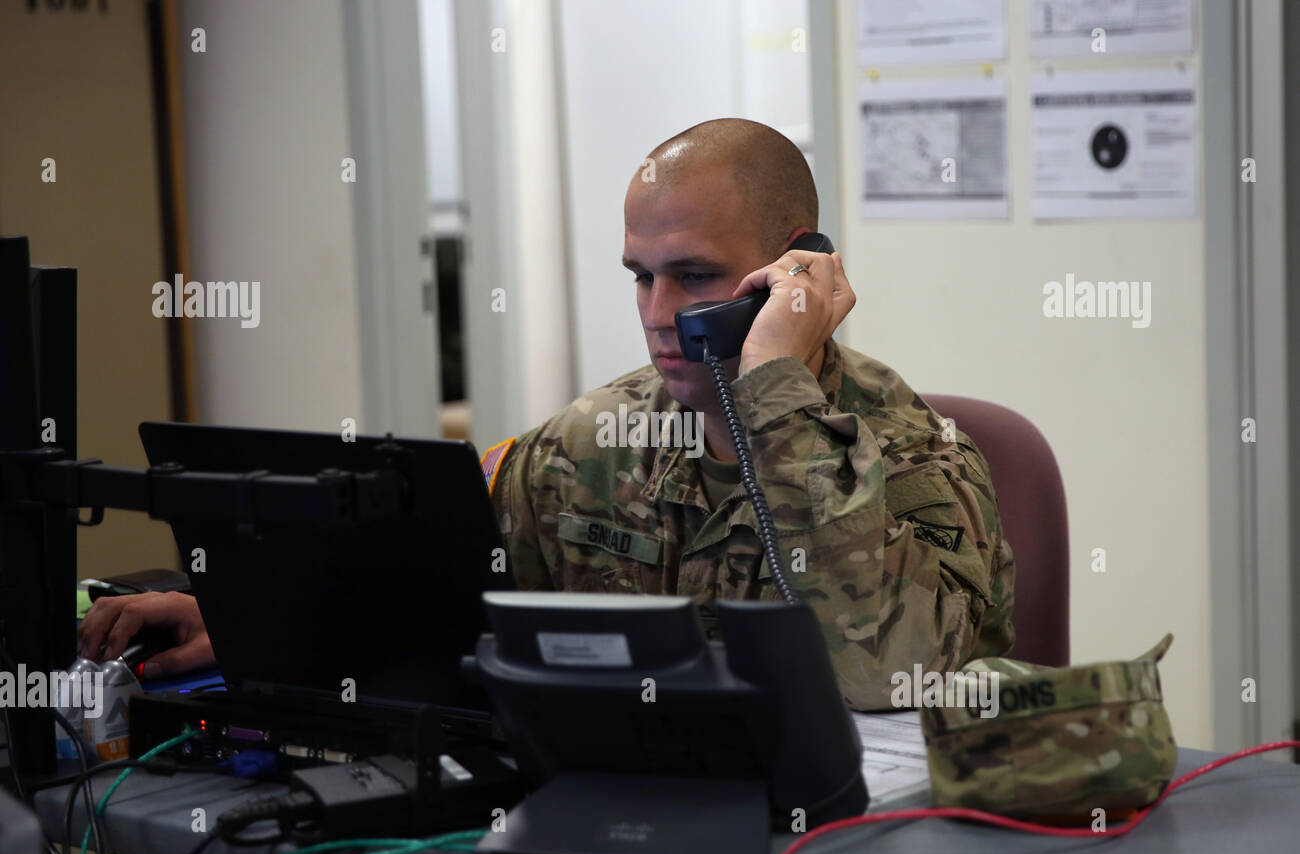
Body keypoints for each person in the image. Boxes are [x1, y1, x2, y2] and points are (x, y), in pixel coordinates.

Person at [79, 118, 1014, 710]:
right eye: (640, 277)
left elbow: (884, 675)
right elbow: (435, 605)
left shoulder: (917, 459)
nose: (656, 315)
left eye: (694, 277)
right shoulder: (583, 448)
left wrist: (770, 375)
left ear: (796, 268)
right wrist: (242, 618)